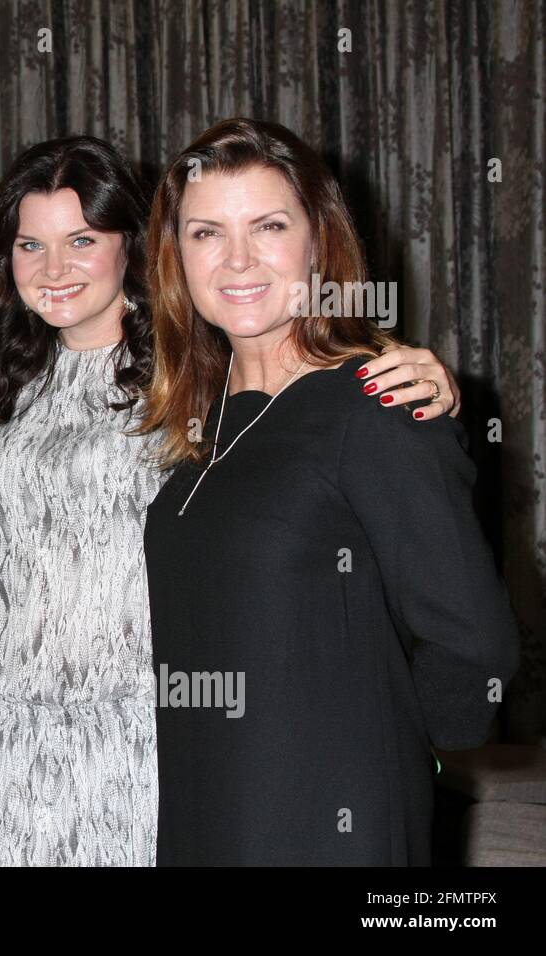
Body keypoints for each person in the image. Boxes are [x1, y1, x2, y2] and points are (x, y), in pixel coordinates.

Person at [0, 135, 465, 867]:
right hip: (7, 729)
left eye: (82, 239)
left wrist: (419, 374)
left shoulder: (196, 373)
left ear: (135, 248)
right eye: (30, 245)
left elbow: (310, 386)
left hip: (148, 730)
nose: (55, 268)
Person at [140, 118, 518, 864]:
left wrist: (398, 755)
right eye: (206, 232)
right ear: (176, 256)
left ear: (319, 242)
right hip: (203, 797)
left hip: (323, 816)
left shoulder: (375, 402)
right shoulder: (204, 424)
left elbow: (475, 639)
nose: (238, 258)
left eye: (269, 225)